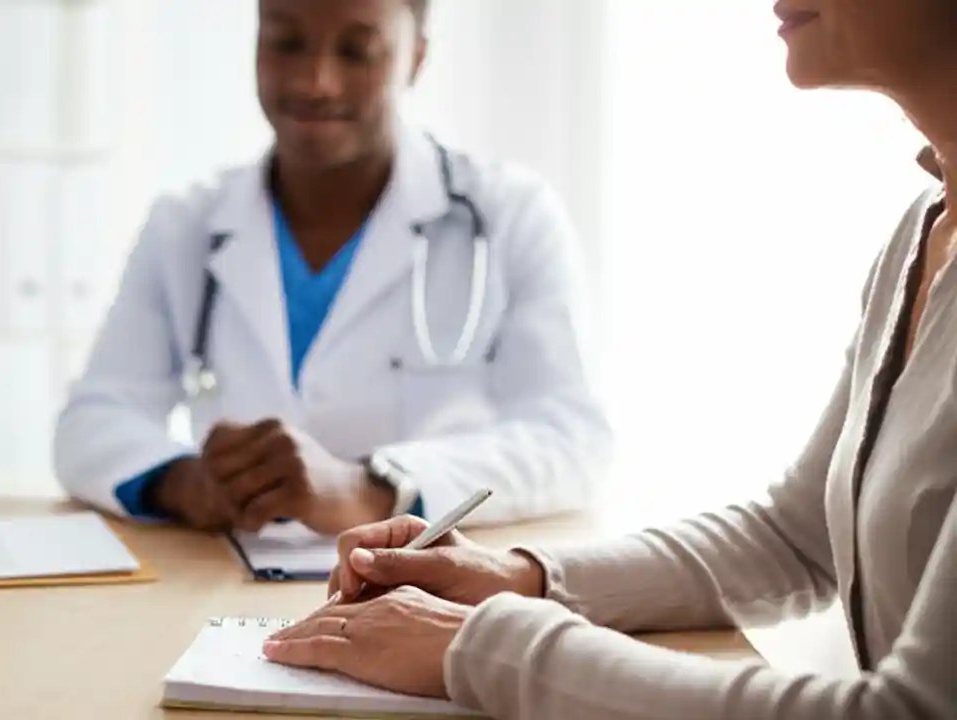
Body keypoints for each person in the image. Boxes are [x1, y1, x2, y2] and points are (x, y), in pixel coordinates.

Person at [263, 1, 957, 717]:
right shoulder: (923, 229)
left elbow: (908, 711)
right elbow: (798, 537)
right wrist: (517, 577)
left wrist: (482, 648)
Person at [54, 0, 610, 534]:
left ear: (415, 56)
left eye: (356, 51)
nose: (314, 81)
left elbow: (569, 440)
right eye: (285, 42)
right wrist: (184, 483)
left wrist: (371, 487)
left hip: (424, 584)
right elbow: (93, 421)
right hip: (226, 579)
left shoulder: (509, 217)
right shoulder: (185, 224)